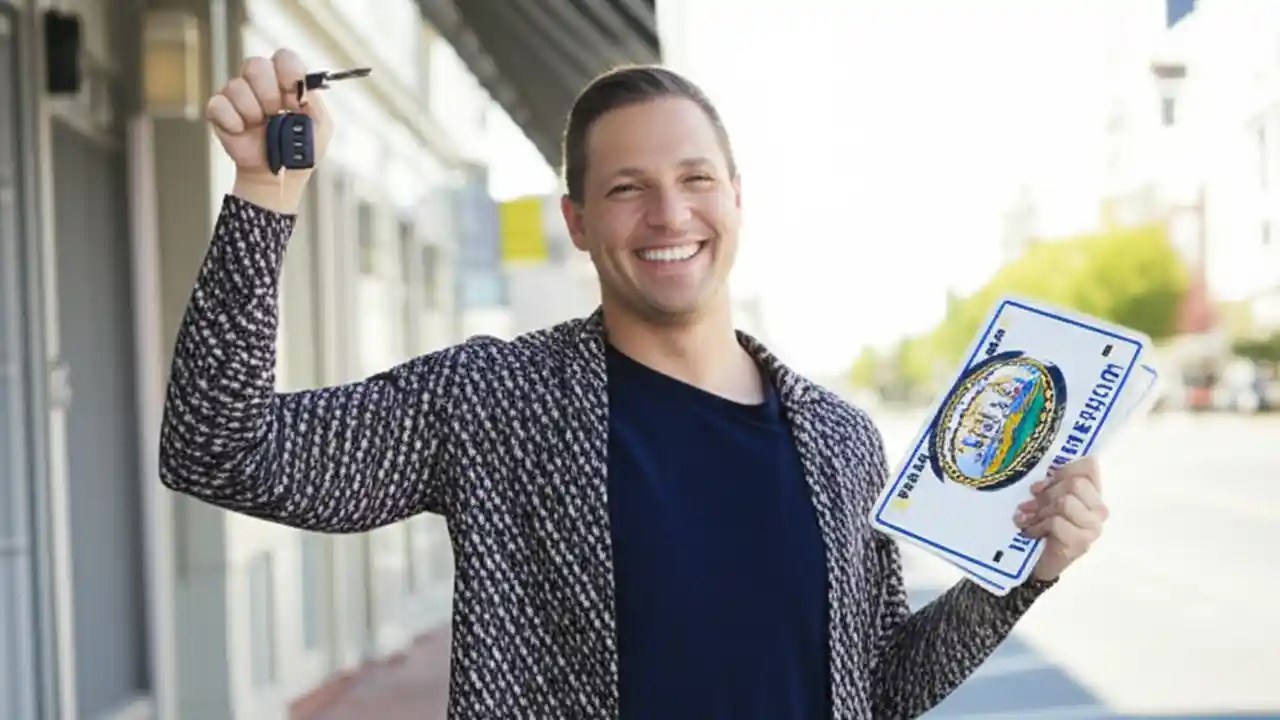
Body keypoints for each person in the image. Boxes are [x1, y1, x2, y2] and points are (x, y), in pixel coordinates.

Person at [162, 47, 1110, 720]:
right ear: (577, 221)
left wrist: (1017, 579)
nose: (669, 214)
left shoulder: (839, 440)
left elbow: (884, 686)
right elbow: (220, 447)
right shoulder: (497, 404)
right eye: (626, 189)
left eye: (696, 178)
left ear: (737, 196)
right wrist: (264, 196)